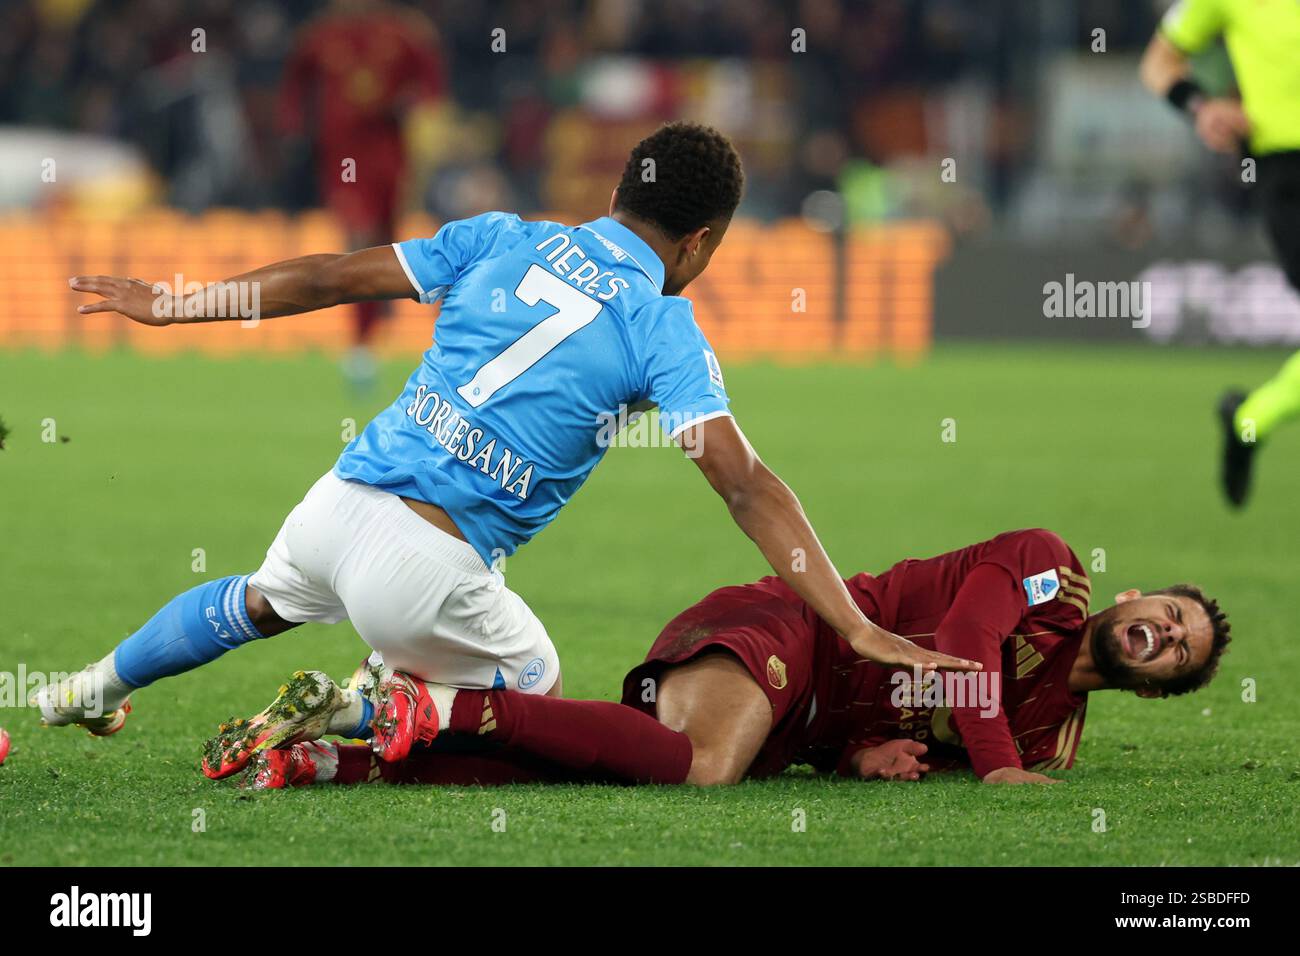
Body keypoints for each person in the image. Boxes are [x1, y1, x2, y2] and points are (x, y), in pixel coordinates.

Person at [40, 123, 975, 780]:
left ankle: (92, 686)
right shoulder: (664, 326)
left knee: (259, 599)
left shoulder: (501, 236)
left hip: (338, 502)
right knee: (535, 693)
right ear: (702, 243)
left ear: (612, 196)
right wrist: (853, 625)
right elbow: (746, 486)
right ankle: (361, 711)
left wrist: (178, 304)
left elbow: (330, 277)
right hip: (430, 565)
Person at [232, 528, 1231, 789]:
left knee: (621, 769)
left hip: (803, 728)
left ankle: (335, 756)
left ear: (1161, 683)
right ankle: (440, 705)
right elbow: (965, 642)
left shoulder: (1053, 735)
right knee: (700, 767)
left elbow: (904, 726)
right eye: (1171, 610)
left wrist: (856, 758)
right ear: (1135, 592)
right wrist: (998, 762)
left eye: (1178, 650)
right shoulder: (1051, 574)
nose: (1166, 632)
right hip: (791, 628)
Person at [1140, 0, 1300, 507]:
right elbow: (1159, 62)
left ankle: (1249, 419)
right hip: (1288, 173)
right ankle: (1251, 419)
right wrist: (1202, 106)